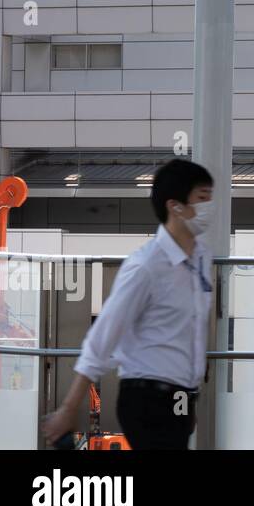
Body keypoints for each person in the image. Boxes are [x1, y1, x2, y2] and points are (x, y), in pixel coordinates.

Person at [42, 159, 215, 450]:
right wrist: (69, 408)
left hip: (181, 396)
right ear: (175, 206)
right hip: (147, 397)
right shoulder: (146, 266)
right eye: (202, 198)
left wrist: (189, 403)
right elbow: (103, 337)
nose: (210, 206)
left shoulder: (201, 258)